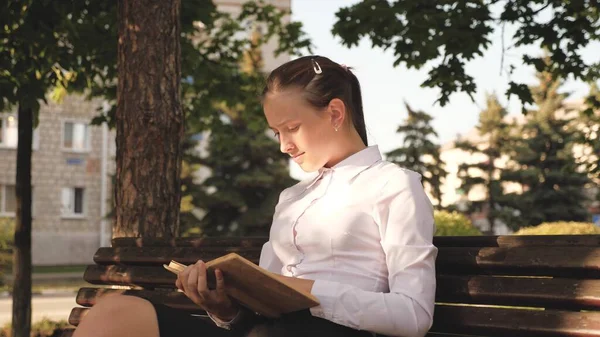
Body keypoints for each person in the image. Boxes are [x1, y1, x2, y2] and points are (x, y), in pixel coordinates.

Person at [72, 55, 437, 337]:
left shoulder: (395, 185)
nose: (283, 146)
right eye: (276, 132)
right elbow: (259, 311)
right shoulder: (292, 198)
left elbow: (414, 314)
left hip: (330, 332)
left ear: (336, 112)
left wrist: (308, 291)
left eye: (291, 128)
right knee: (119, 311)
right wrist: (223, 307)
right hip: (267, 333)